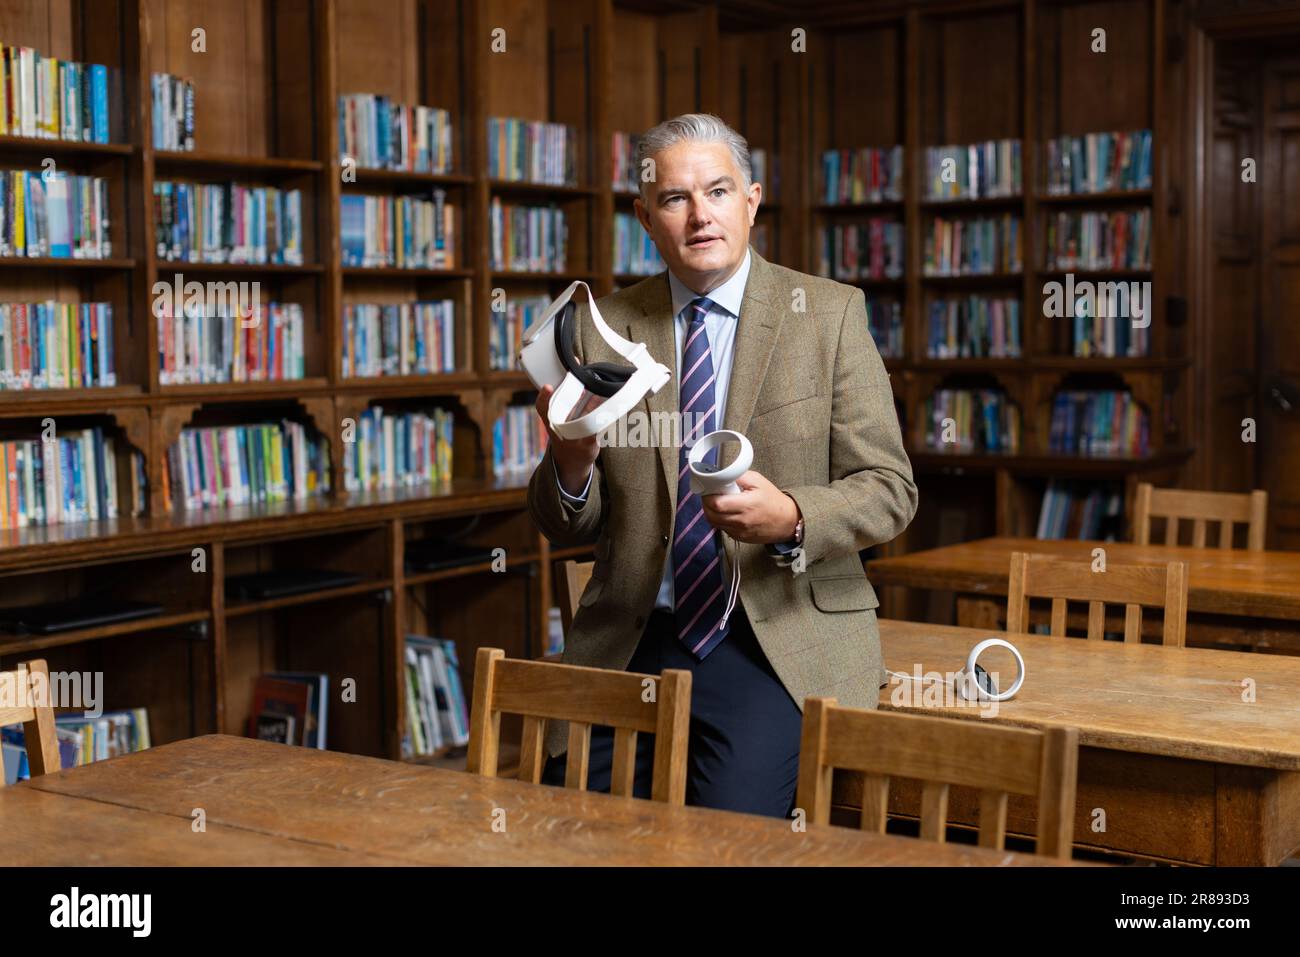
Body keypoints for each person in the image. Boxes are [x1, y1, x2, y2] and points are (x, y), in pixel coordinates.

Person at [527, 113, 917, 818]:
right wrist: (571, 462)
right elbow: (565, 522)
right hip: (637, 637)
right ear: (646, 217)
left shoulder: (829, 315)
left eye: (718, 191)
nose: (700, 215)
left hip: (776, 639)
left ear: (752, 200)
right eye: (675, 199)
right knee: (573, 831)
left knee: (725, 843)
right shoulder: (600, 328)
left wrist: (794, 517)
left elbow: (891, 490)